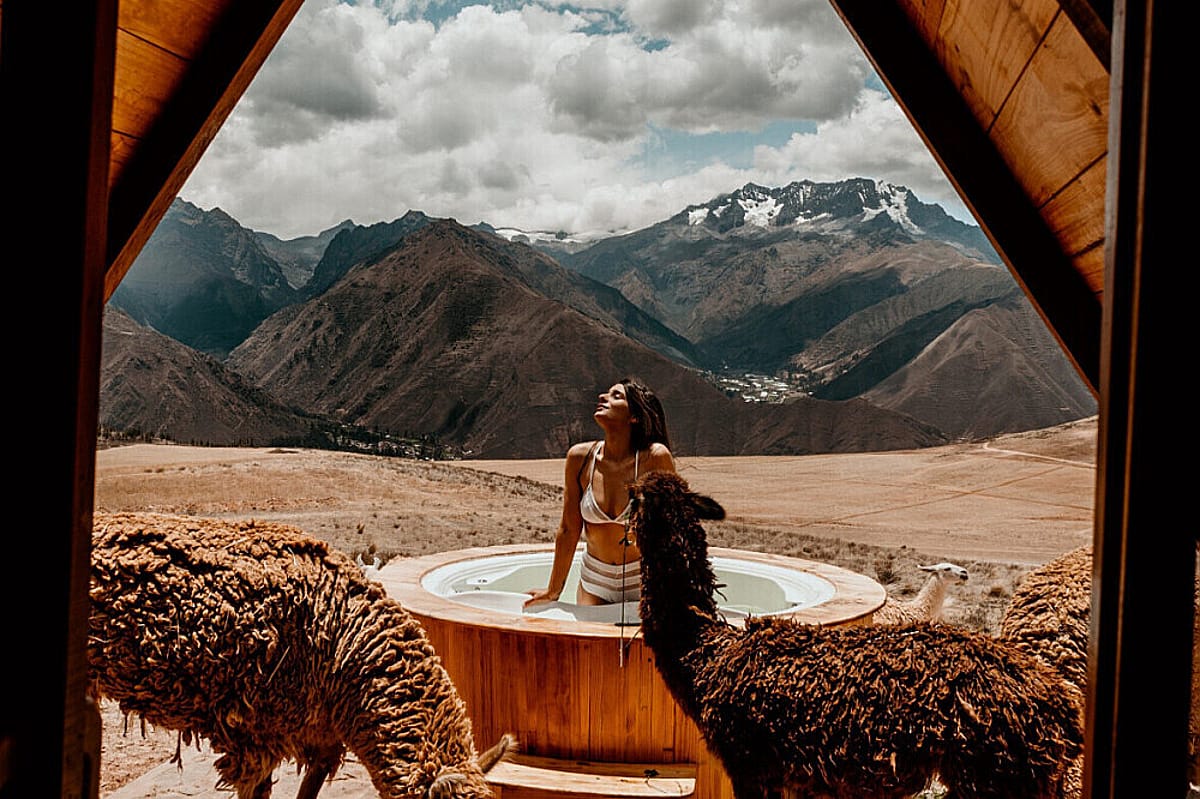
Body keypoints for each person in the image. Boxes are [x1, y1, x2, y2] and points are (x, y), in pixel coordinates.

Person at [525, 378, 676, 607]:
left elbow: (673, 529)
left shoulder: (654, 458)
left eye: (616, 396)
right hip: (594, 581)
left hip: (642, 581)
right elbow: (568, 529)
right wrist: (553, 590)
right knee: (588, 642)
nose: (602, 397)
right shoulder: (580, 458)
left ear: (634, 416)